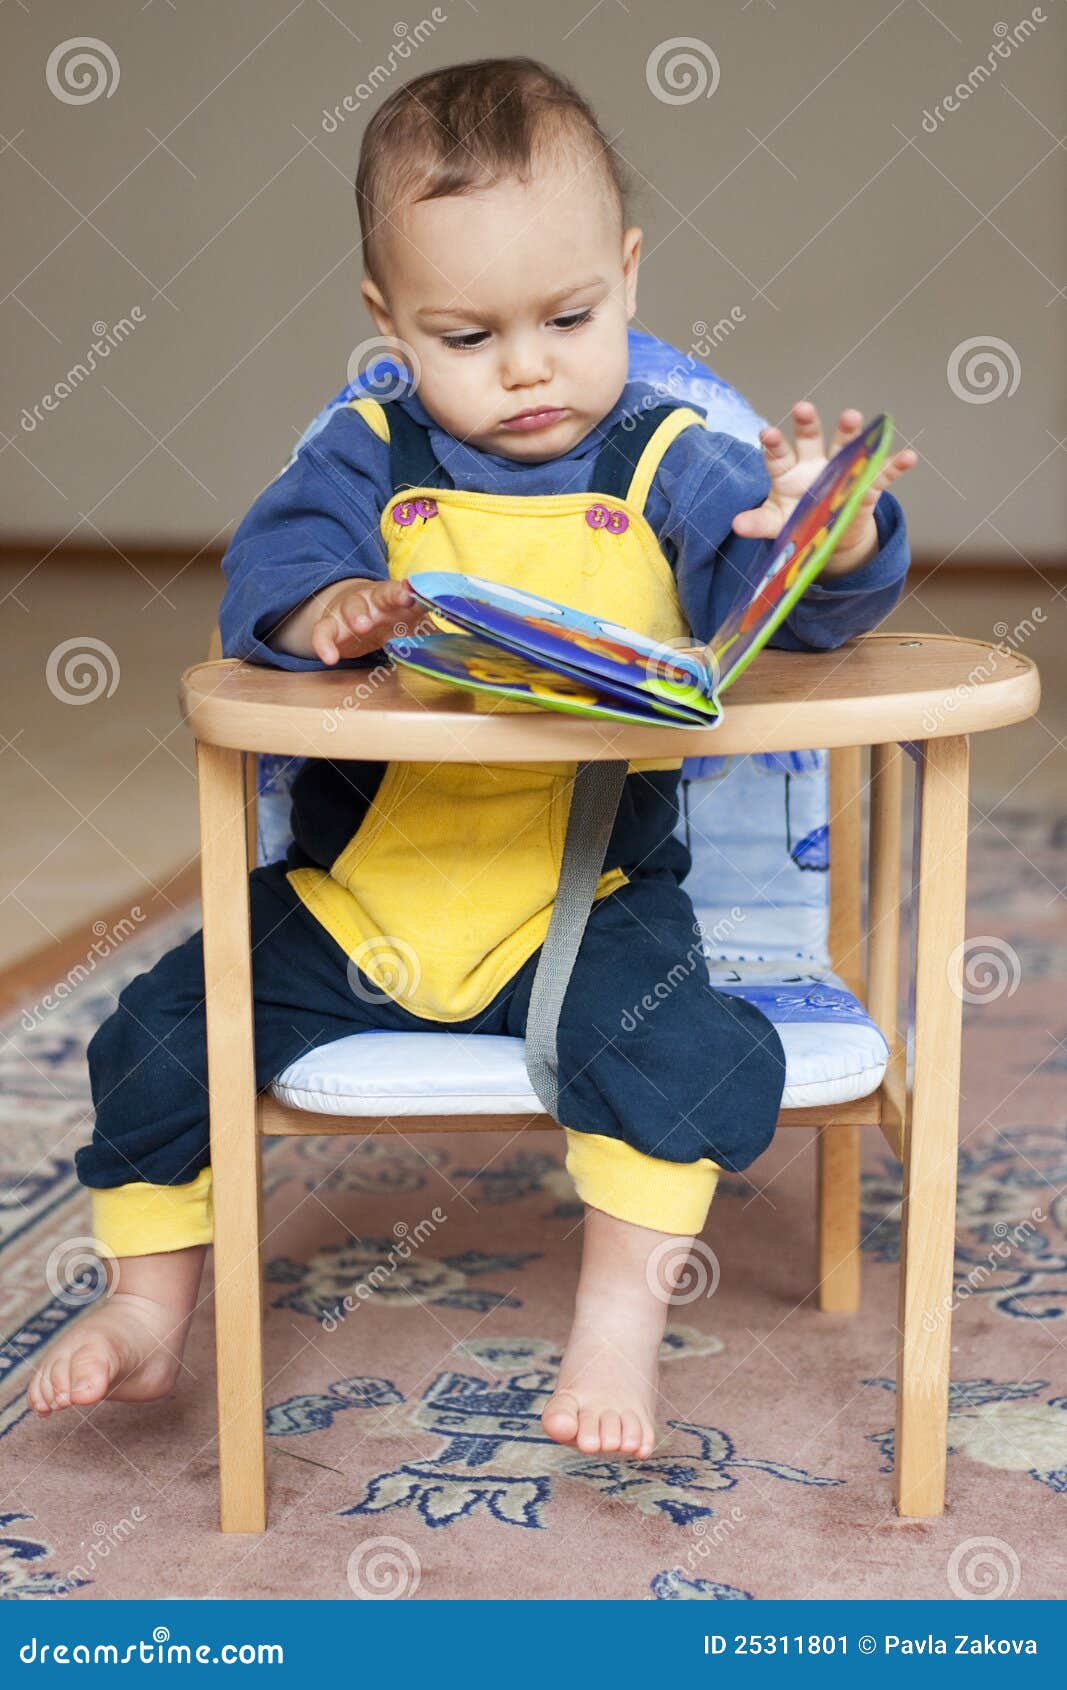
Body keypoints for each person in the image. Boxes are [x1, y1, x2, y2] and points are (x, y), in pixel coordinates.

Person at [31, 57, 915, 1460]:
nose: (526, 368)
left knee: (682, 1049)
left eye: (571, 317)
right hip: (357, 905)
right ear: (389, 325)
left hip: (581, 907)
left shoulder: (674, 460)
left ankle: (617, 1324)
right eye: (466, 334)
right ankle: (148, 1306)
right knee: (159, 1026)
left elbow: (781, 607)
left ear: (628, 276)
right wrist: (323, 609)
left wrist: (830, 538)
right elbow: (271, 565)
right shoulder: (365, 454)